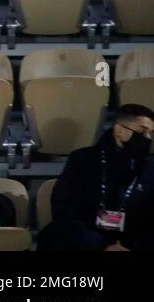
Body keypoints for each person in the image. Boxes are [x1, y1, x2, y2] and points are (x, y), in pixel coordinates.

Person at [39, 103, 154, 251]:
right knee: (54, 236)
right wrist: (101, 247)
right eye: (142, 131)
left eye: (151, 133)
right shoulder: (83, 159)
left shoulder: (149, 169)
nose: (148, 138)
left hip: (130, 242)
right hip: (84, 240)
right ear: (119, 130)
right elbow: (64, 208)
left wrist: (127, 246)